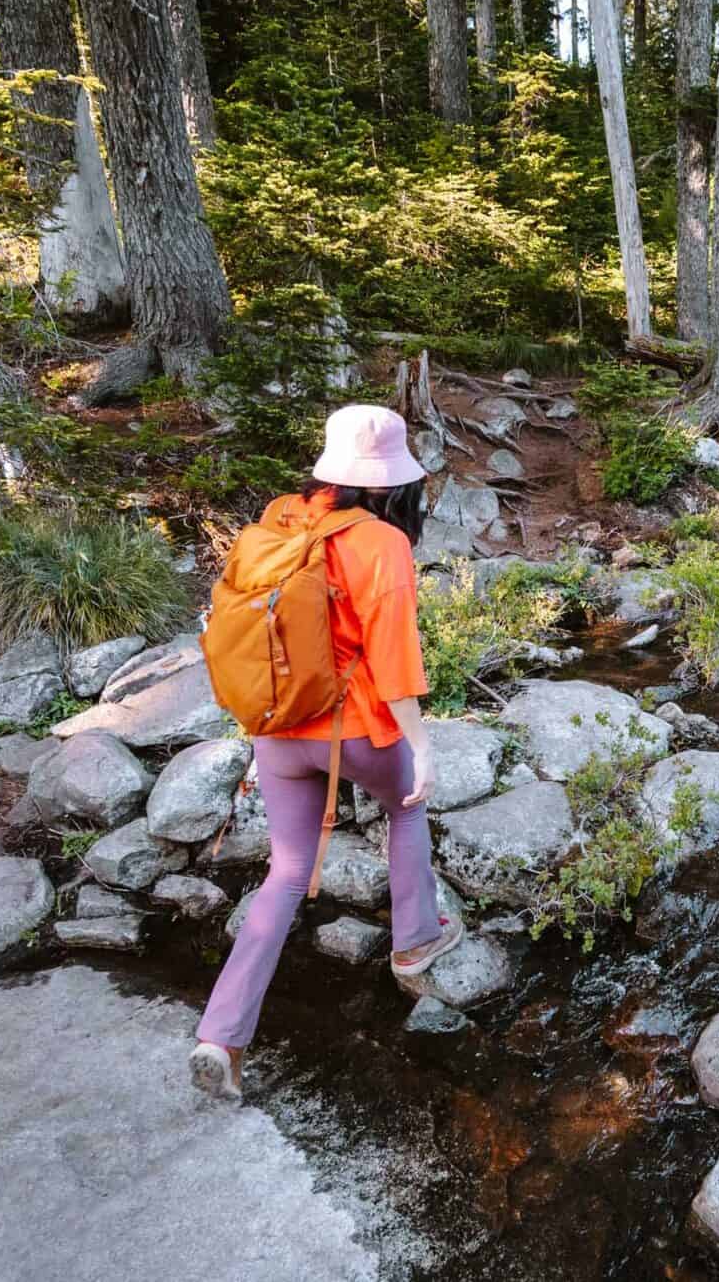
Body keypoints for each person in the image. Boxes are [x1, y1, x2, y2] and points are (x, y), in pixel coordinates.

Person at [190, 404, 462, 1100]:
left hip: (278, 725)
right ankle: (415, 941)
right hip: (353, 728)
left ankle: (220, 1037)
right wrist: (421, 745)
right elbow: (394, 657)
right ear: (393, 481)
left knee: (286, 871)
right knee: (406, 808)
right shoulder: (381, 542)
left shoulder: (281, 515)